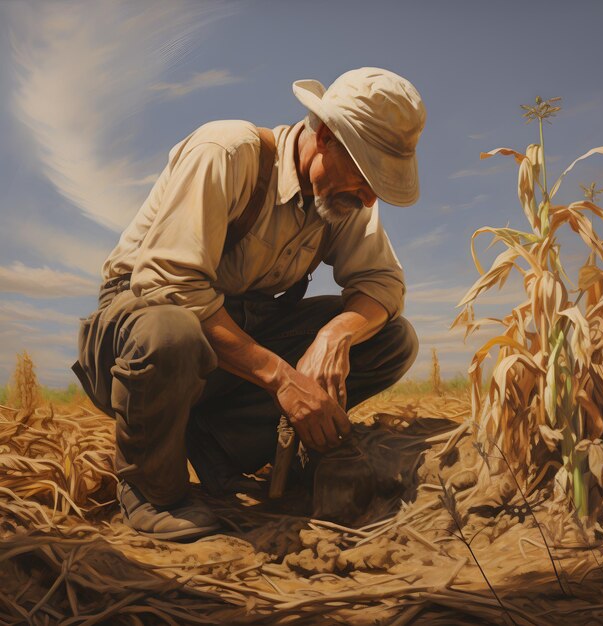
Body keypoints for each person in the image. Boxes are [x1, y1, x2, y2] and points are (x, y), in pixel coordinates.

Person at [72, 67, 426, 541]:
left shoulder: (343, 201)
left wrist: (333, 335)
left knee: (390, 338)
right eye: (366, 173)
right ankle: (149, 488)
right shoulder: (226, 151)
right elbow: (170, 284)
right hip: (137, 326)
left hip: (230, 339)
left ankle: (216, 444)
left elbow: (384, 284)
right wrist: (283, 379)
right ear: (324, 136)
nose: (369, 196)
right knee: (171, 333)